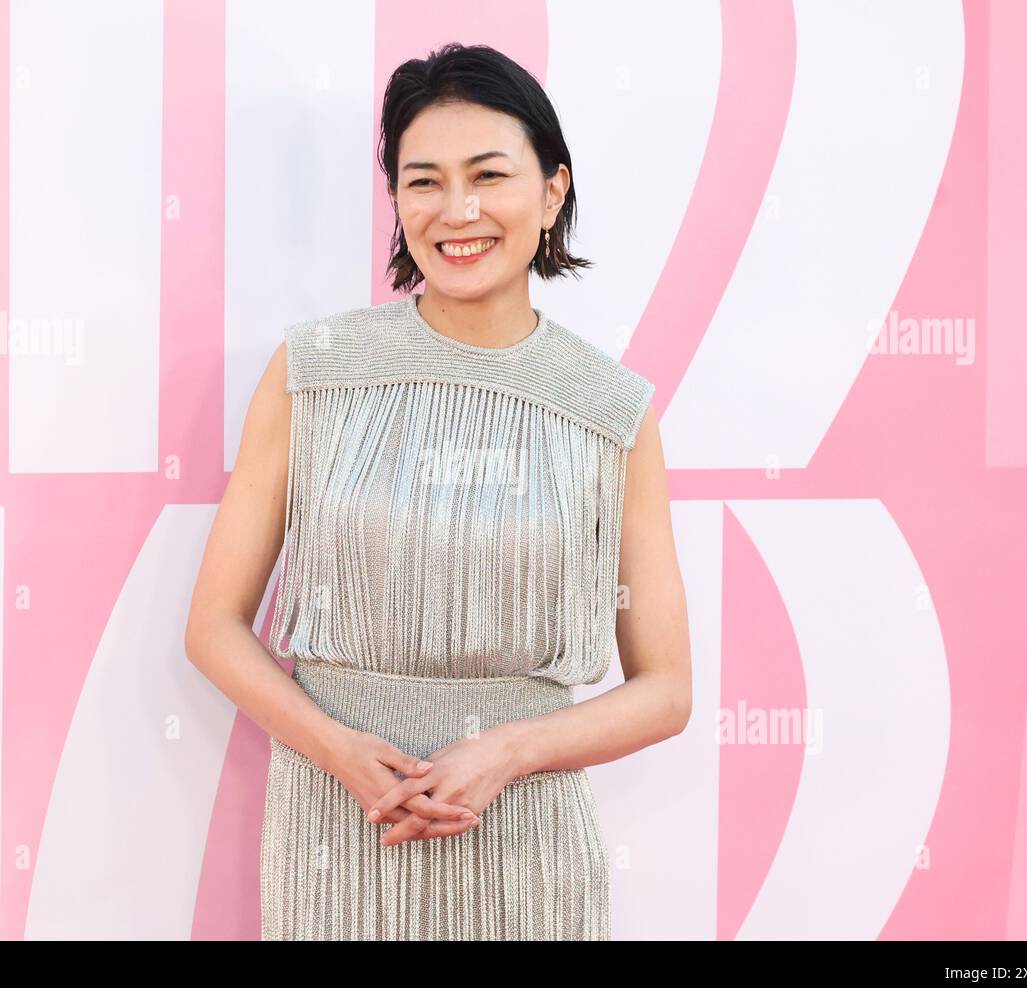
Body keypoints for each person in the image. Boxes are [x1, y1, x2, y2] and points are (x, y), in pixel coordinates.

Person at [185, 42, 692, 940]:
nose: (457, 211)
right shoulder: (315, 372)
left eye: (488, 175)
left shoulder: (611, 411)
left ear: (551, 192)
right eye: (424, 182)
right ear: (397, 203)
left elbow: (666, 689)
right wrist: (340, 751)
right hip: (340, 832)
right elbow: (214, 627)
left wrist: (508, 751)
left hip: (526, 843)